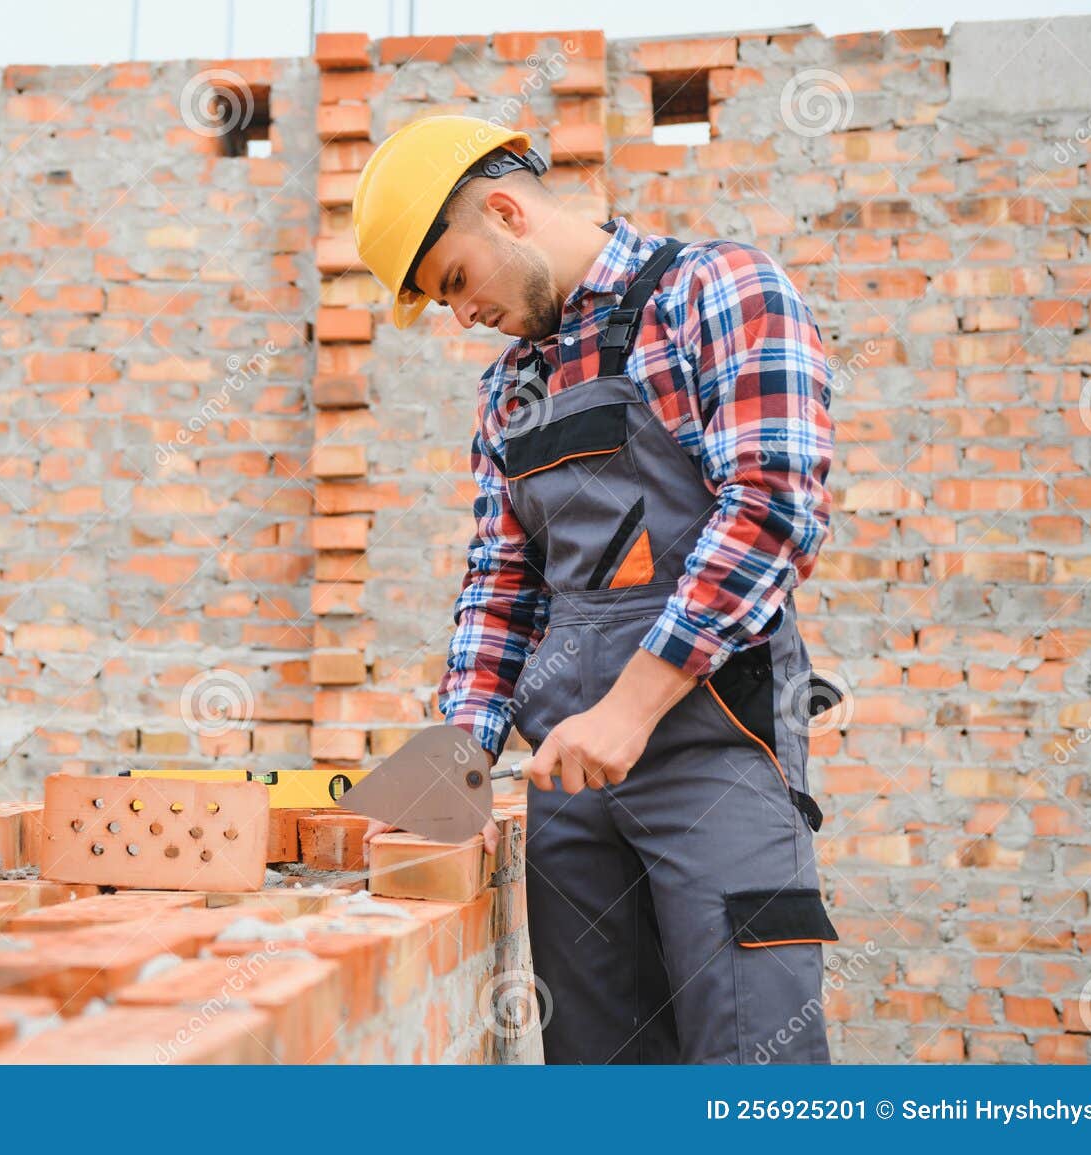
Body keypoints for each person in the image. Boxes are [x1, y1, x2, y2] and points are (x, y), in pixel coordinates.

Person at [351, 115, 841, 1064]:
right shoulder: (509, 392)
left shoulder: (715, 290)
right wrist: (451, 765)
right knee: (601, 1067)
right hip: (569, 786)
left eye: (457, 281)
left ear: (506, 212)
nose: (463, 315)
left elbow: (772, 508)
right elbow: (501, 589)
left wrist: (630, 707)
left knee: (754, 1059)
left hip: (716, 760)